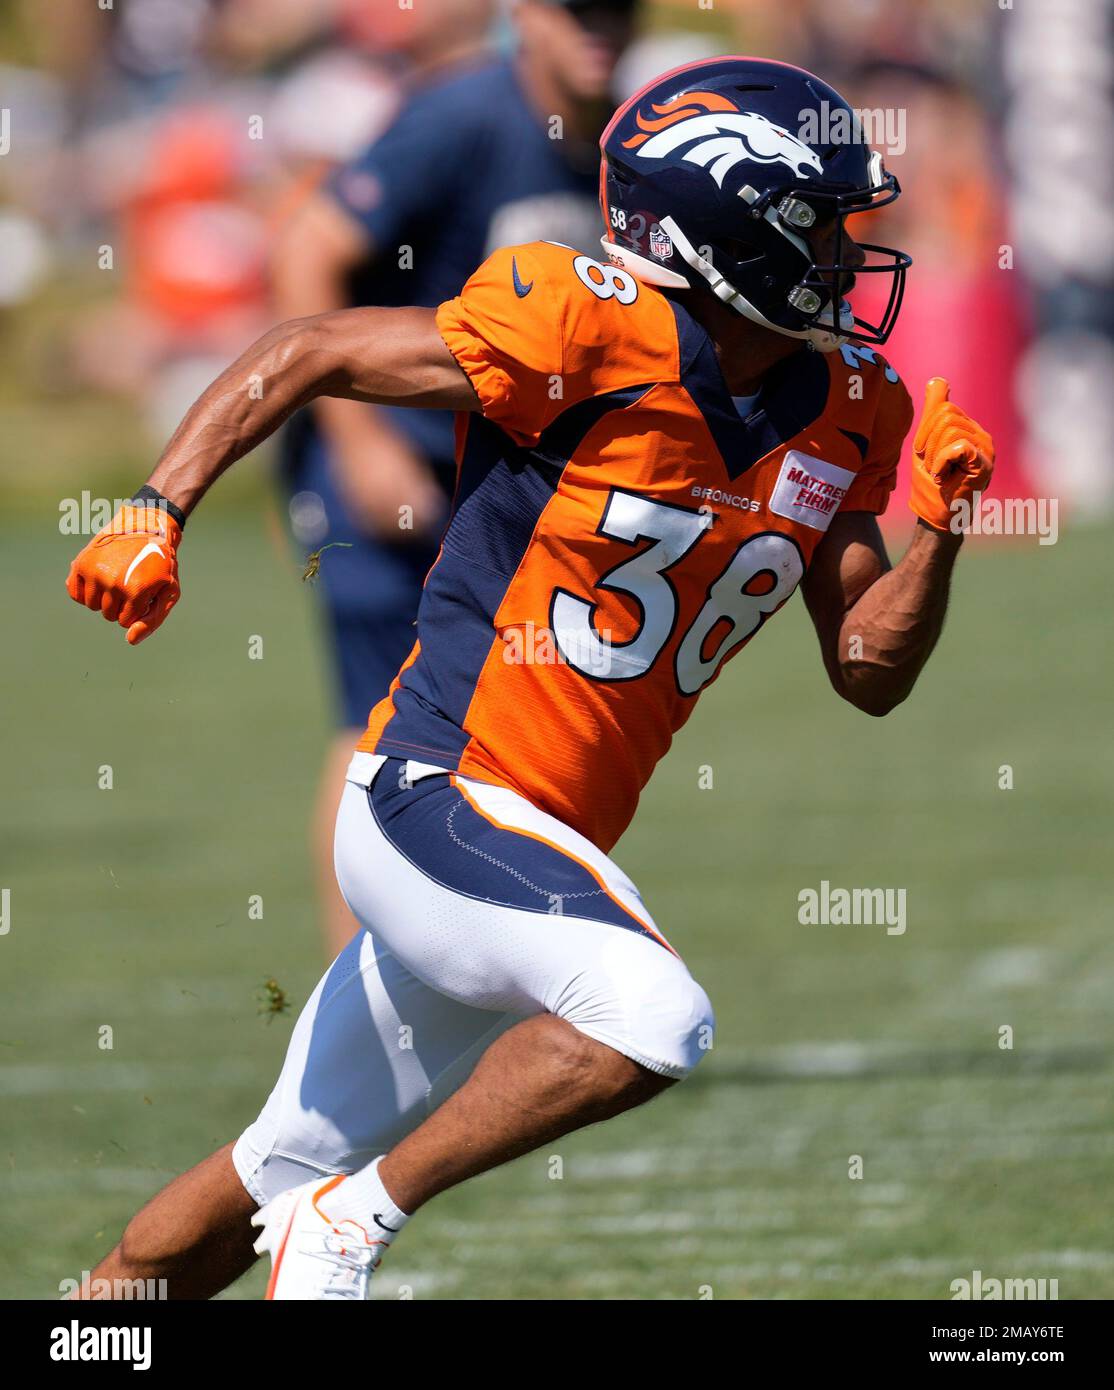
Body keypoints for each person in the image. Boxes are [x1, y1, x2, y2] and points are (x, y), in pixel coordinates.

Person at [64, 56, 994, 1300]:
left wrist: (935, 530)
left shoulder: (852, 406)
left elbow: (867, 667)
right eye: (822, 224)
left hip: (534, 846)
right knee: (651, 1016)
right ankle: (351, 1226)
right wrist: (158, 507)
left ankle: (87, 1322)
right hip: (432, 792)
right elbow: (303, 347)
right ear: (731, 229)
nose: (851, 251)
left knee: (264, 1169)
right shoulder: (583, 322)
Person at [272, 0, 640, 955]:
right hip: (387, 446)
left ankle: (469, 967)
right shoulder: (460, 115)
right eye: (579, 9)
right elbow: (305, 252)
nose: (602, 25)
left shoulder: (623, 137)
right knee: (372, 726)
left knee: (499, 728)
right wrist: (361, 444)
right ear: (527, 14)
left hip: (489, 478)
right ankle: (353, 979)